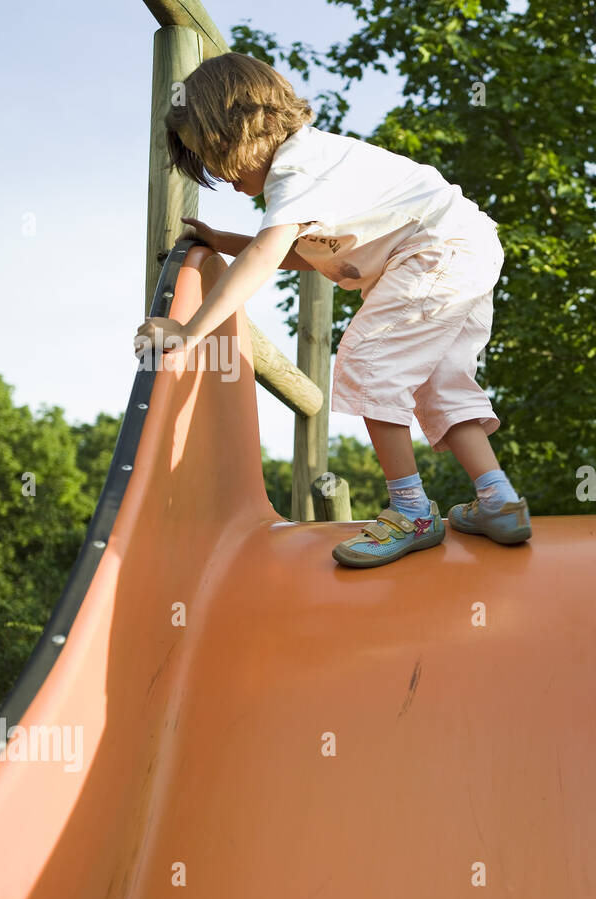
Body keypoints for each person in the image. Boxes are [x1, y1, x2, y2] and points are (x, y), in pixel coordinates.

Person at [134, 53, 530, 566]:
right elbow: (300, 253)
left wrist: (189, 332)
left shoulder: (296, 164)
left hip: (437, 250)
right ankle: (498, 499)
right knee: (441, 382)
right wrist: (227, 240)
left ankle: (411, 511)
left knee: (368, 364)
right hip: (466, 247)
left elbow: (267, 253)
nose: (213, 170)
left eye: (214, 151)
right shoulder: (317, 169)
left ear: (250, 125)